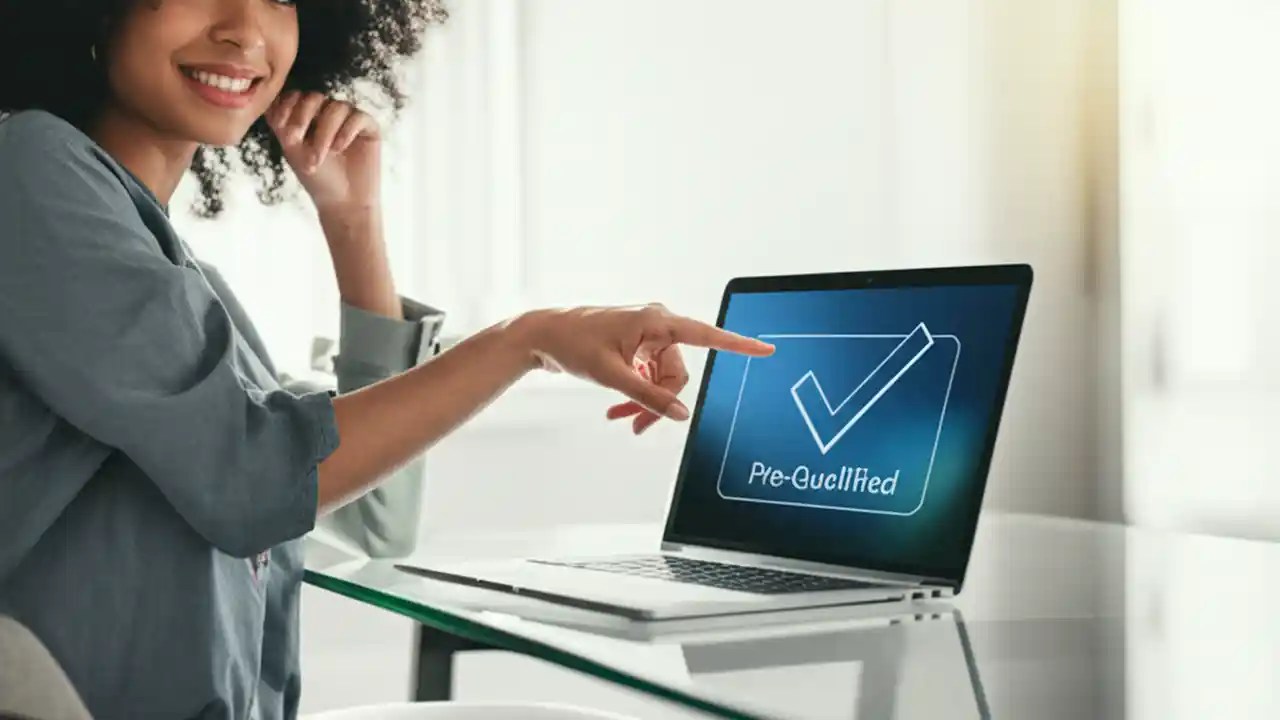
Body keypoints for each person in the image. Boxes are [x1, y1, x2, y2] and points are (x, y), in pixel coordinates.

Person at [0, 0, 775, 718]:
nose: (245, 29)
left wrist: (354, 221)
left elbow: (374, 519)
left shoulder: (174, 275)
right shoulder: (29, 167)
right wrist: (526, 341)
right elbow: (256, 480)